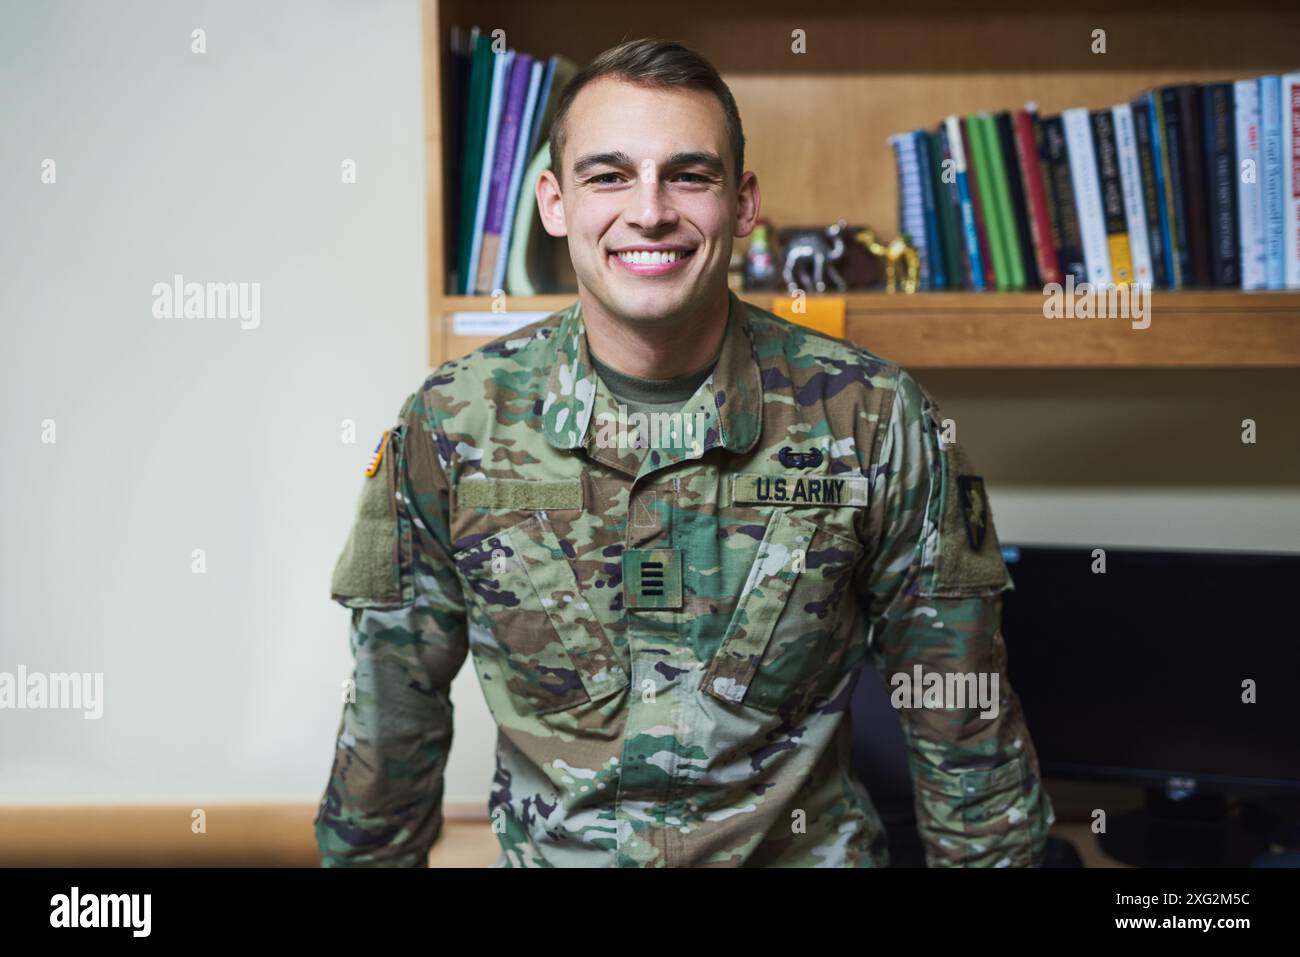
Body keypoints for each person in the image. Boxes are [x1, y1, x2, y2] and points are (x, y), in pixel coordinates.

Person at [314, 37, 1055, 867]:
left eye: (689, 174)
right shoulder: (452, 423)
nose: (651, 210)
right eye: (609, 175)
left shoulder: (874, 418)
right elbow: (389, 727)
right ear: (554, 204)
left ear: (742, 205)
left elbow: (965, 736)